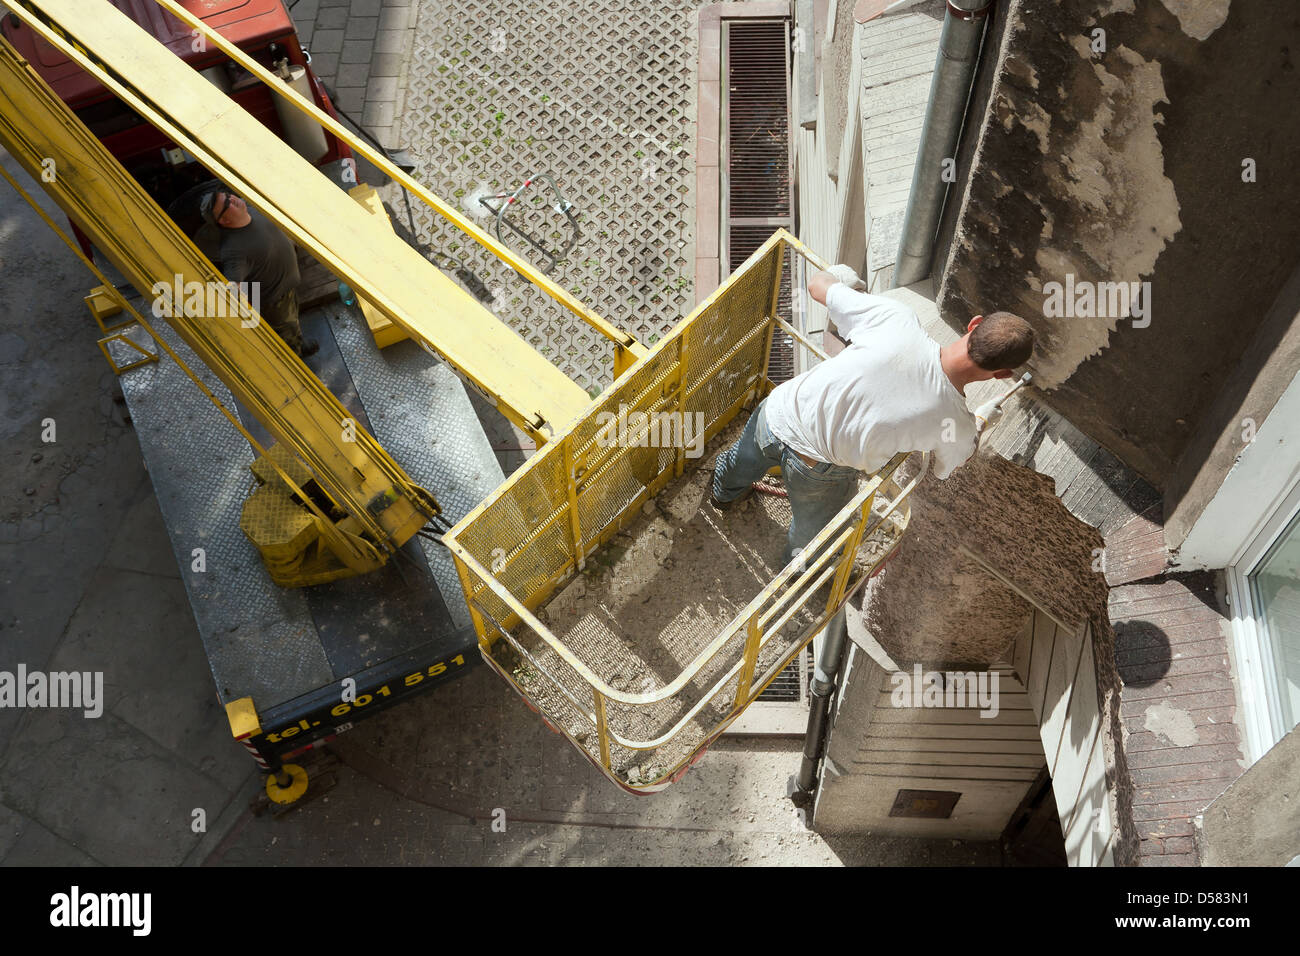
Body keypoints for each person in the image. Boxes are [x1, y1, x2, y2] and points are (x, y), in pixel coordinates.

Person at [711, 263, 1033, 566]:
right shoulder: (954, 423)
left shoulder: (897, 317)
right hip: (817, 468)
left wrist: (844, 280)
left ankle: (722, 496)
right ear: (1003, 374)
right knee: (810, 534)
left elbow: (817, 284)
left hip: (779, 411)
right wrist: (979, 422)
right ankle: (797, 567)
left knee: (740, 462)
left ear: (973, 324)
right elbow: (949, 463)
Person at [198, 187, 317, 357]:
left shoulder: (250, 210)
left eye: (227, 195)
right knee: (286, 335)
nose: (232, 198)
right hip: (276, 304)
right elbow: (232, 288)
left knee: (293, 321)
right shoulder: (234, 251)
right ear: (223, 220)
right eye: (226, 203)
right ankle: (297, 358)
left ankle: (298, 341)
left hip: (289, 289)